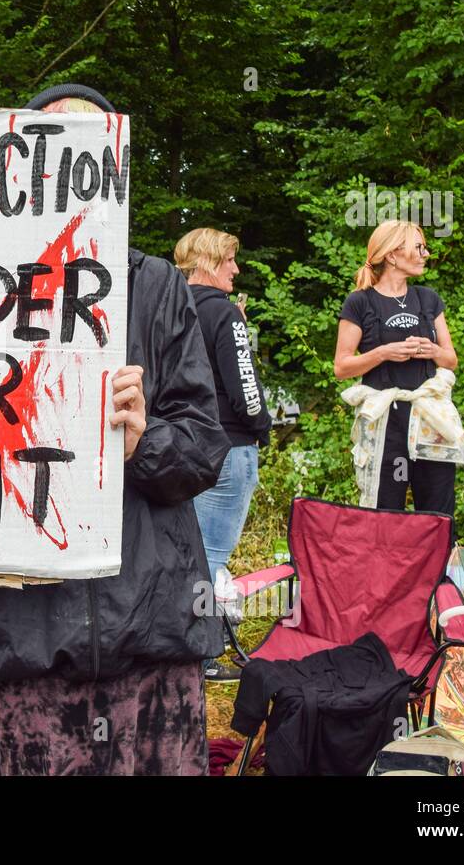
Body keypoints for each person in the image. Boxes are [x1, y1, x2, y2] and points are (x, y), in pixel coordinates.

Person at [0, 84, 230, 775]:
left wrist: (141, 440)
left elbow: (203, 449)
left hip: (149, 637)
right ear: (20, 165)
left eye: (95, 144)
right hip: (23, 647)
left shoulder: (155, 287)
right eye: (54, 142)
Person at [175, 227, 272, 683]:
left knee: (184, 546)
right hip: (228, 445)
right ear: (211, 261)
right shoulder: (225, 314)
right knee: (211, 552)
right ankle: (201, 652)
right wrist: (261, 427)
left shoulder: (166, 306)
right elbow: (244, 387)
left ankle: (181, 639)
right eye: (230, 260)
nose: (236, 269)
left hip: (177, 444)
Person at [334, 220, 463, 513]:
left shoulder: (427, 299)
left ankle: (438, 559)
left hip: (430, 418)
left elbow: (451, 359)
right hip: (386, 422)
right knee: (385, 510)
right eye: (418, 248)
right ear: (392, 255)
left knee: (438, 512)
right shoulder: (360, 302)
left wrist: (432, 350)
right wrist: (383, 353)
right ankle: (382, 560)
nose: (425, 254)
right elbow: (342, 366)